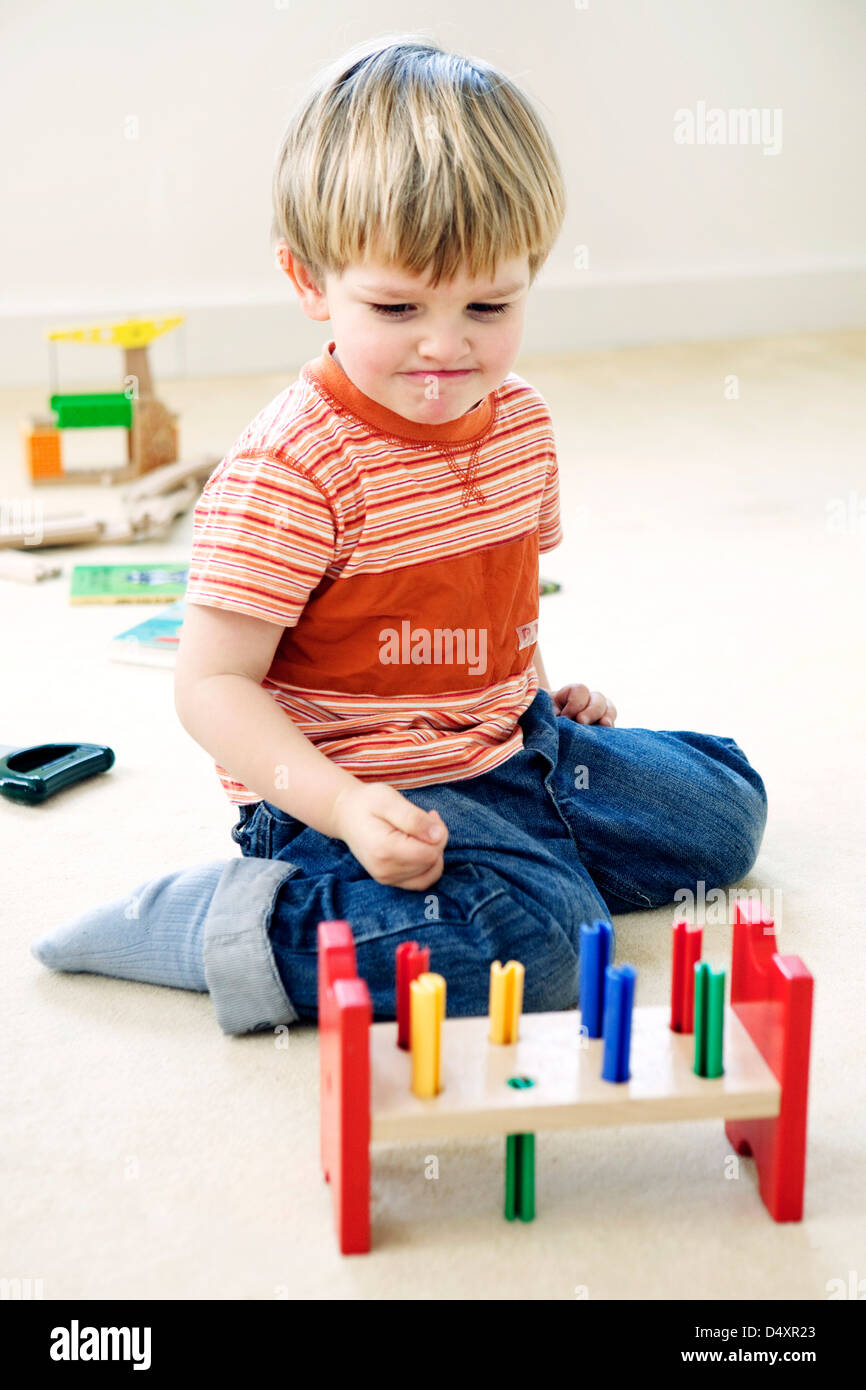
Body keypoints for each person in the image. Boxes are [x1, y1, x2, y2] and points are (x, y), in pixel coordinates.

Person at [31, 34, 767, 1036]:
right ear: (309, 282)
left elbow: (501, 600)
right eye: (396, 306)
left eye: (488, 304)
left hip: (508, 749)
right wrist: (340, 806)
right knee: (547, 945)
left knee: (726, 810)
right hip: (345, 791)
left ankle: (518, 860)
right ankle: (237, 920)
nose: (444, 345)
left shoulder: (520, 424)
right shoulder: (293, 466)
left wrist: (536, 693)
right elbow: (210, 686)